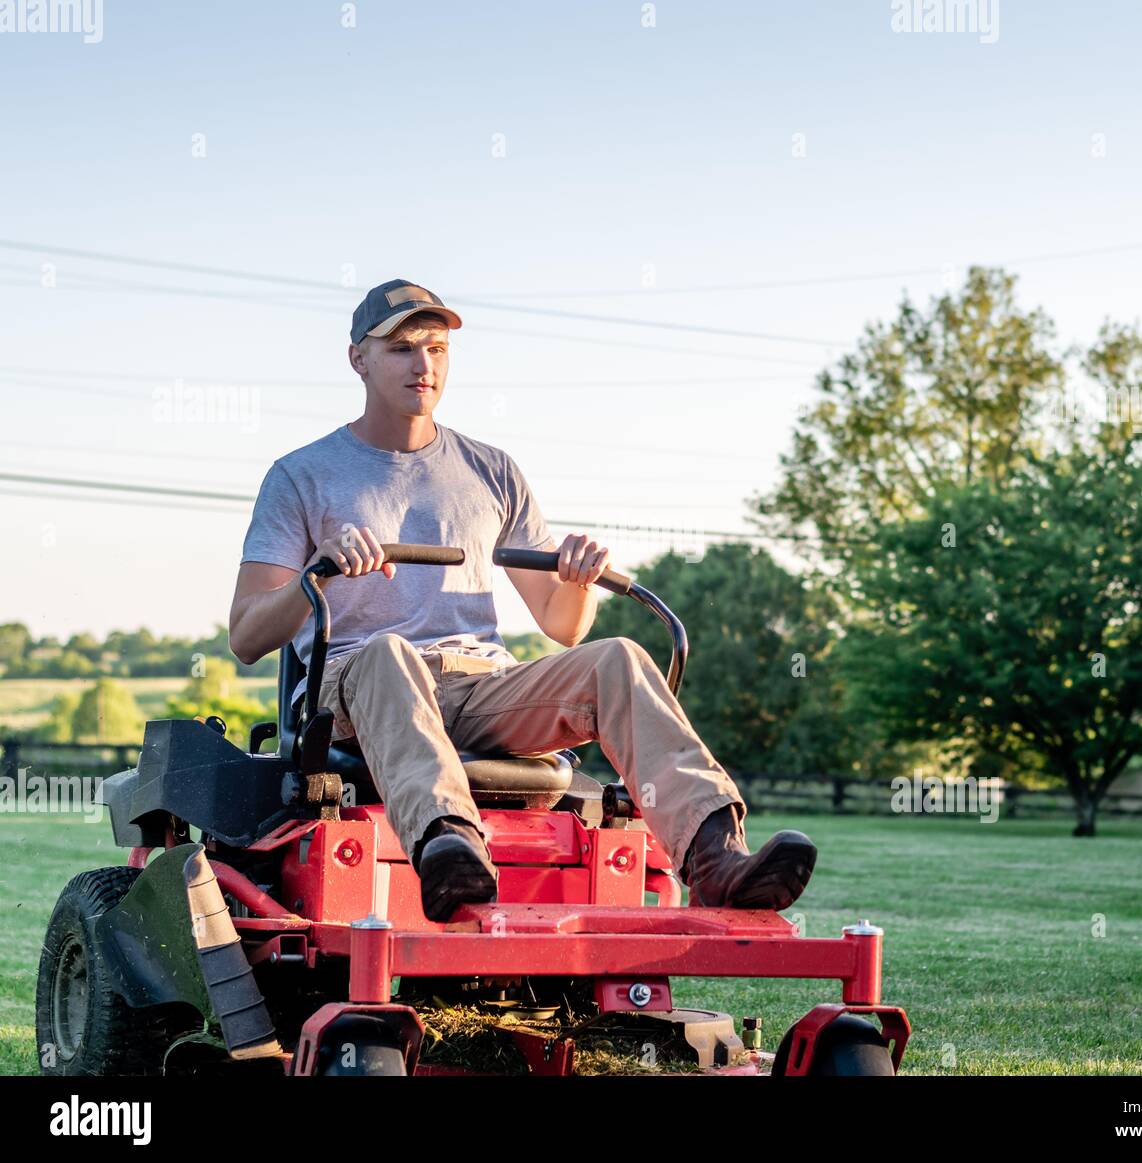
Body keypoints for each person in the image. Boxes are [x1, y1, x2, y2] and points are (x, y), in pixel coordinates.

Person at [229, 278, 817, 921]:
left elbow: (563, 626)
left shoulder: (492, 470)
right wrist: (321, 571)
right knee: (388, 651)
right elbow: (248, 635)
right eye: (400, 348)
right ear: (357, 359)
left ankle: (714, 856)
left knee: (616, 655)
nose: (423, 365)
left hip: (481, 688)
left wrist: (576, 580)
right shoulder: (301, 475)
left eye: (436, 348)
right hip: (360, 684)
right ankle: (449, 846)